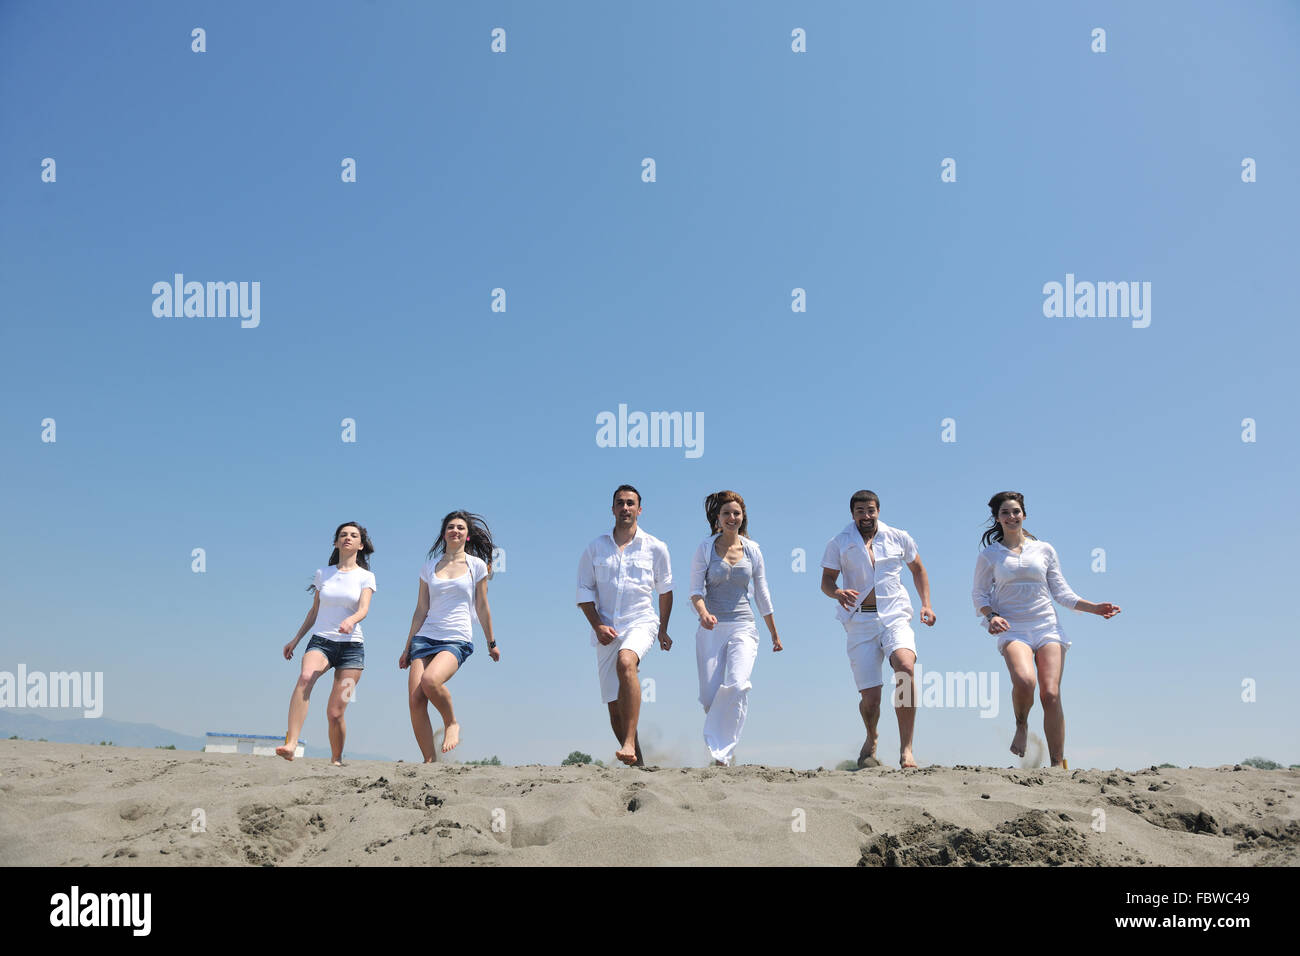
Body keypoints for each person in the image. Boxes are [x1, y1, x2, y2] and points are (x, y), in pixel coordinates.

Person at [972, 491, 1120, 769]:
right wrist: (991, 616)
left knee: (1050, 694)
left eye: (1016, 511)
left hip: (1047, 626)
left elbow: (1061, 593)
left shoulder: (1044, 550)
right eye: (1005, 512)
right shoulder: (990, 555)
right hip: (1013, 628)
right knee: (1026, 681)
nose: (1012, 516)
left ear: (1024, 515)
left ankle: (1057, 765)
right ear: (997, 518)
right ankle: (1022, 724)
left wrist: (1094, 608)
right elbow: (979, 595)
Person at [821, 490, 935, 769]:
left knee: (906, 669)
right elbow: (826, 581)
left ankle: (906, 749)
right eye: (860, 511)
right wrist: (837, 593)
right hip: (860, 622)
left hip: (895, 616)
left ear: (878, 511)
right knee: (871, 702)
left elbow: (918, 569)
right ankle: (871, 736)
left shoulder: (898, 537)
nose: (866, 515)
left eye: (870, 510)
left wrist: (926, 604)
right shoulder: (839, 542)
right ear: (852, 514)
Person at [576, 484, 673, 766]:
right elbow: (584, 592)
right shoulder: (595, 548)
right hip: (606, 629)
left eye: (631, 503)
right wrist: (597, 625)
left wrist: (663, 629)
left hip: (641, 622)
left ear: (639, 509)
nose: (625, 508)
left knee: (626, 662)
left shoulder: (656, 547)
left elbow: (665, 591)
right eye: (620, 503)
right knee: (614, 708)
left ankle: (629, 743)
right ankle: (637, 761)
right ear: (613, 509)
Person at [690, 491, 782, 766]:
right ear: (717, 519)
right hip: (711, 628)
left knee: (738, 684)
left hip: (744, 625)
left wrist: (774, 633)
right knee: (710, 697)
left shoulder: (753, 550)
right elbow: (695, 591)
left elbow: (762, 594)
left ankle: (722, 755)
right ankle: (722, 747)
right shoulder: (705, 549)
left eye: (737, 513)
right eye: (727, 513)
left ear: (743, 517)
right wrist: (704, 614)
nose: (732, 518)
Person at [399, 511, 500, 761]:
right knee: (416, 701)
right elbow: (421, 608)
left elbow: (482, 606)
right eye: (451, 527)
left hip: (456, 638)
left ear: (467, 536)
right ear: (444, 533)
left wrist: (491, 642)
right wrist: (407, 647)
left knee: (431, 681)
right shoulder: (428, 567)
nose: (455, 530)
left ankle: (451, 723)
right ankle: (429, 761)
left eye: (460, 528)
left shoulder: (476, 565)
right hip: (424, 637)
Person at [278, 522, 377, 764]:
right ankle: (291, 743)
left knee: (335, 713)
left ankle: (336, 758)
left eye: (353, 535)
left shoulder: (366, 576)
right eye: (343, 535)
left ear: (361, 545)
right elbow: (314, 612)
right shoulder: (324, 573)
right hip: (321, 642)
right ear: (336, 542)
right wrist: (296, 638)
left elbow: (364, 609)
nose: (347, 538)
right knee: (305, 678)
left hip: (352, 650)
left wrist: (351, 620)